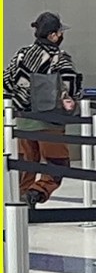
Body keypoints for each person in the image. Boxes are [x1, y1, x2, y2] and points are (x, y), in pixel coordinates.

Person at [3, 12, 81, 207]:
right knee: (57, 165)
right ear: (53, 35)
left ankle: (21, 207)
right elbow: (71, 86)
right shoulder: (59, 58)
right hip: (49, 122)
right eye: (60, 32)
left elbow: (6, 82)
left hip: (23, 121)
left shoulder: (22, 54)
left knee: (26, 165)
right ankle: (37, 192)